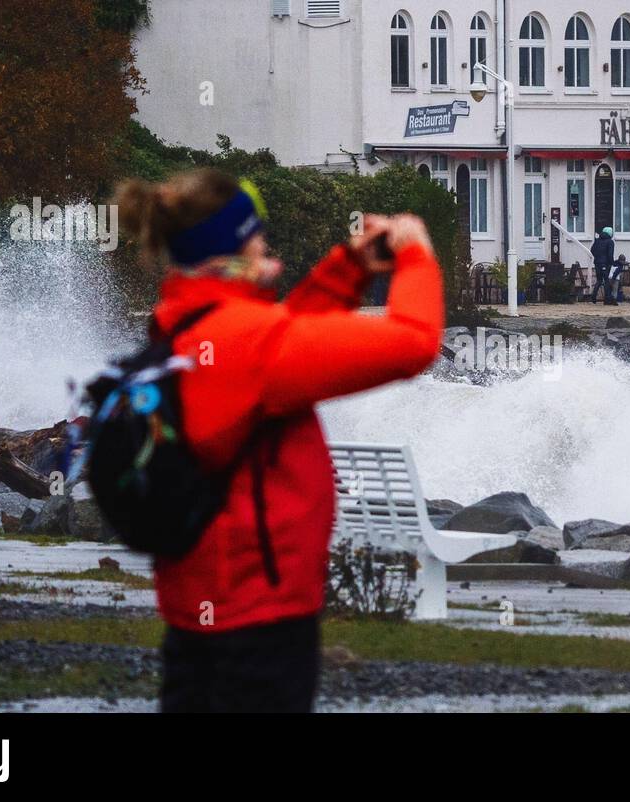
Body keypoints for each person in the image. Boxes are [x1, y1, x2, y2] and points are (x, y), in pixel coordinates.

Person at [114, 168, 443, 713]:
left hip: (205, 604)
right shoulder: (245, 342)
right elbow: (414, 343)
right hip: (256, 617)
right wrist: (414, 255)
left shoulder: (189, 322)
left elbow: (284, 345)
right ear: (235, 243)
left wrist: (350, 269)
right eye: (258, 232)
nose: (267, 242)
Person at [590, 226, 615, 303]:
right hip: (605, 263)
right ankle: (607, 299)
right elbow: (610, 254)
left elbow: (592, 250)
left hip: (597, 263)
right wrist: (612, 263)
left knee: (599, 280)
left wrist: (597, 257)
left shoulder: (597, 241)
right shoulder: (610, 242)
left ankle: (593, 297)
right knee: (606, 280)